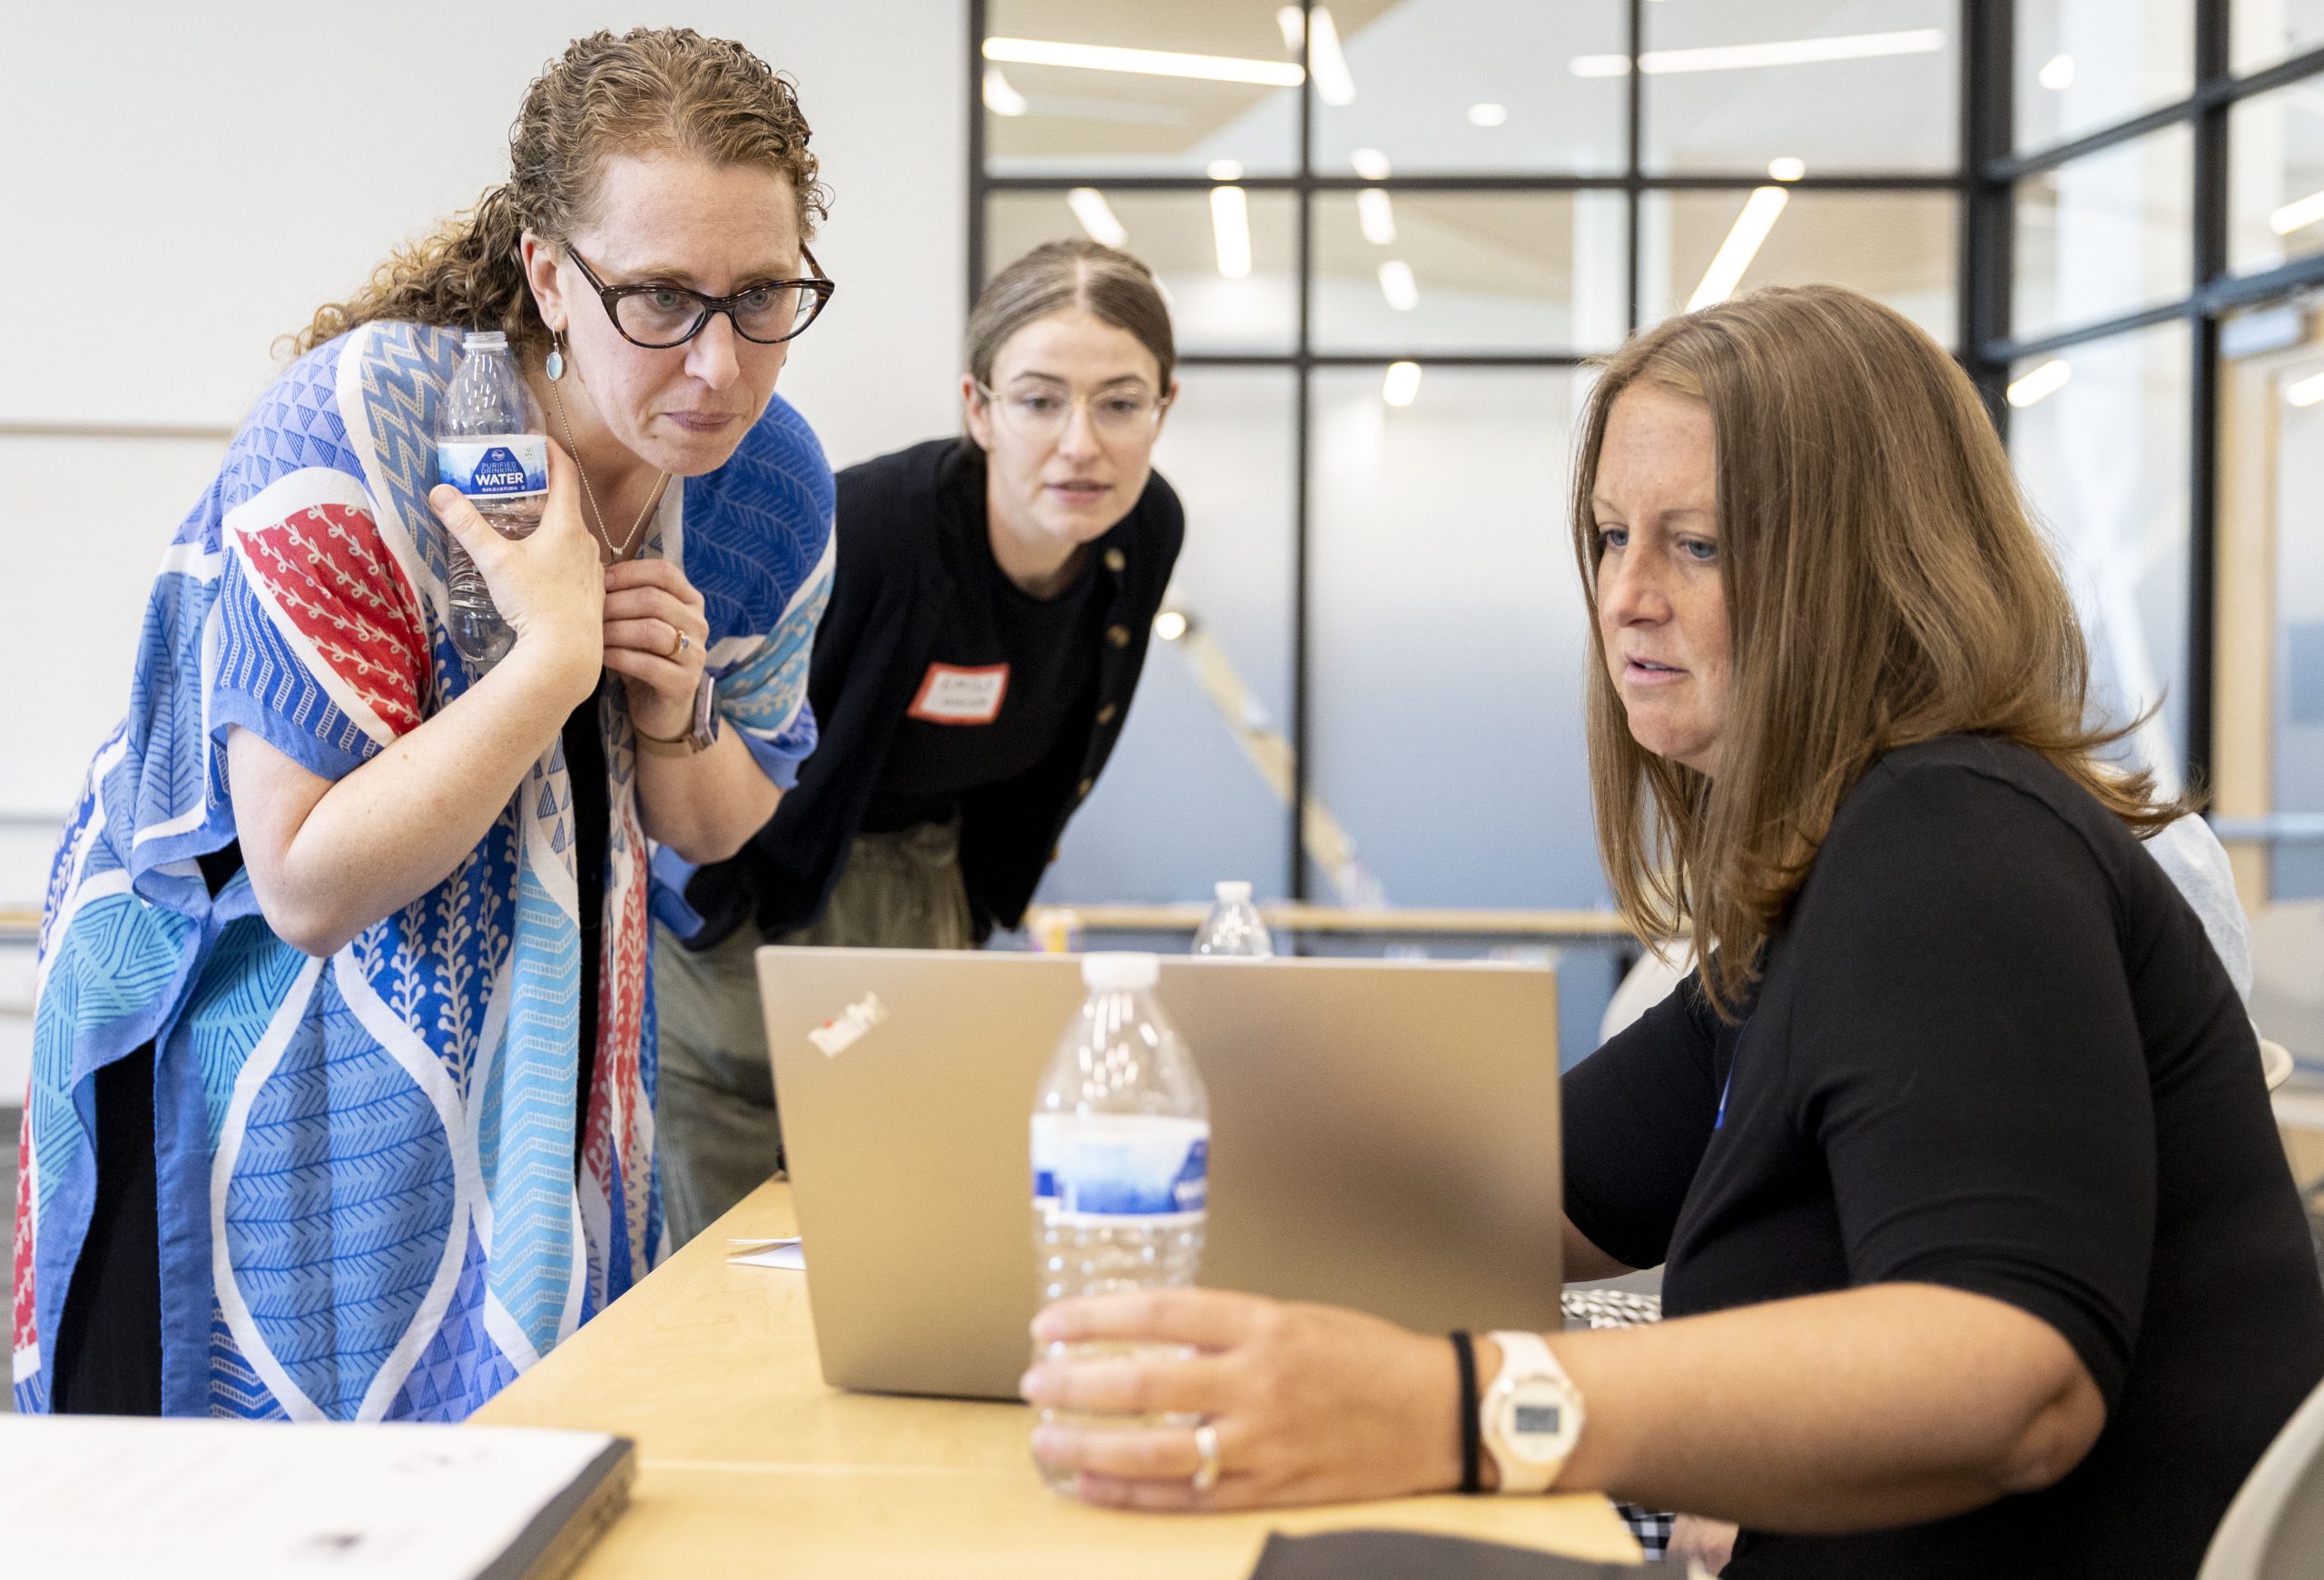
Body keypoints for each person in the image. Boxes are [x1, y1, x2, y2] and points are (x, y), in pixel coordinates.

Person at [1018, 285, 2324, 1576]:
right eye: (1609, 537)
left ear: (1865, 571)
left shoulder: (1956, 841)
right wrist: (1152, 1185)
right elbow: (1513, 1199)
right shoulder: (1822, 894)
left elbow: (2014, 1379)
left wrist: (1452, 1408)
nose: (1625, 595)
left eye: (1695, 545)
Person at [11, 28, 837, 1422]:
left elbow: (724, 821)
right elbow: (306, 885)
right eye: (658, 299)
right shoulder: (361, 428)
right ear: (550, 276)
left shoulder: (769, 482)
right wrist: (552, 662)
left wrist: (675, 712)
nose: (717, 364)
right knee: (259, 1490)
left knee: (527, 1461)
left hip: (543, 1073)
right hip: (252, 1070)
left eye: (762, 295)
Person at [651, 240, 1186, 1249]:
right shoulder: (876, 528)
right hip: (751, 907)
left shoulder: (1144, 530)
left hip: (927, 899)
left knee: (909, 1238)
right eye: (1039, 401)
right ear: (978, 407)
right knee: (730, 1266)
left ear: (1164, 407)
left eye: (1120, 403)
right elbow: (725, 725)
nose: (1081, 444)